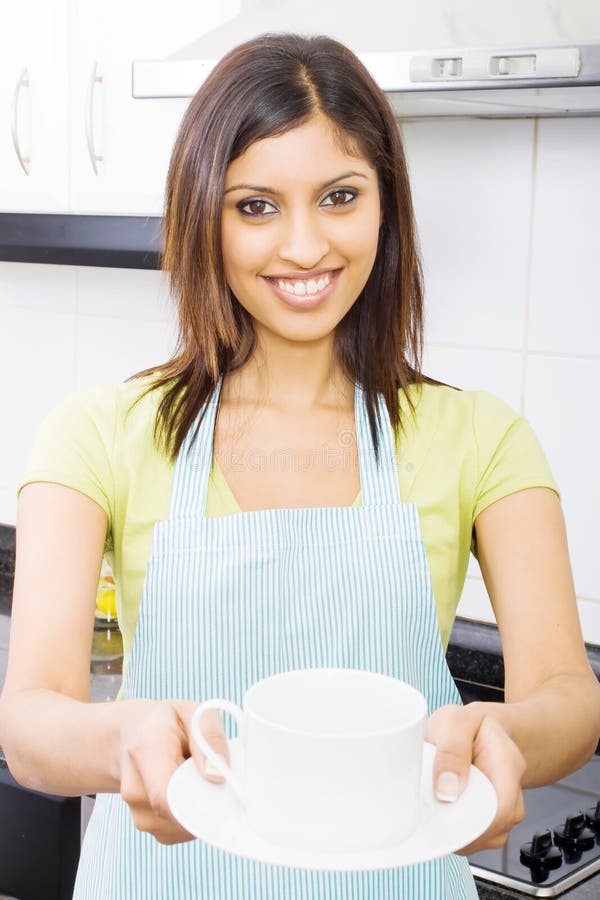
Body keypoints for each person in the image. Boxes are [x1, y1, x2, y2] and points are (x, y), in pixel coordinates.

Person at [1, 31, 599, 900]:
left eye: (339, 196)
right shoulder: (98, 434)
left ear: (384, 207)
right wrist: (121, 739)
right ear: (202, 211)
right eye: (256, 206)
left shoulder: (480, 437)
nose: (305, 245)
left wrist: (502, 734)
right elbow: (29, 721)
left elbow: (566, 694)